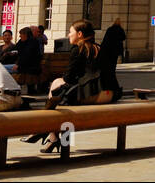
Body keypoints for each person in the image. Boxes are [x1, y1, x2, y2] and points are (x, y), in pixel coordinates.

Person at [26, 20, 112, 153]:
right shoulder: (99, 48)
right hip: (109, 93)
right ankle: (53, 137)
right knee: (62, 96)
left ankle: (50, 133)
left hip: (93, 93)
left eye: (70, 32)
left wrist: (62, 80)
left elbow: (69, 78)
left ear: (79, 34)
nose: (68, 35)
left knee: (58, 92)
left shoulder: (79, 49)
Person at [99, 19, 125, 101]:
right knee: (112, 68)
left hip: (108, 51)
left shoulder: (110, 29)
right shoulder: (120, 30)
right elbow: (124, 37)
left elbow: (105, 39)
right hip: (115, 51)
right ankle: (115, 90)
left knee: (110, 69)